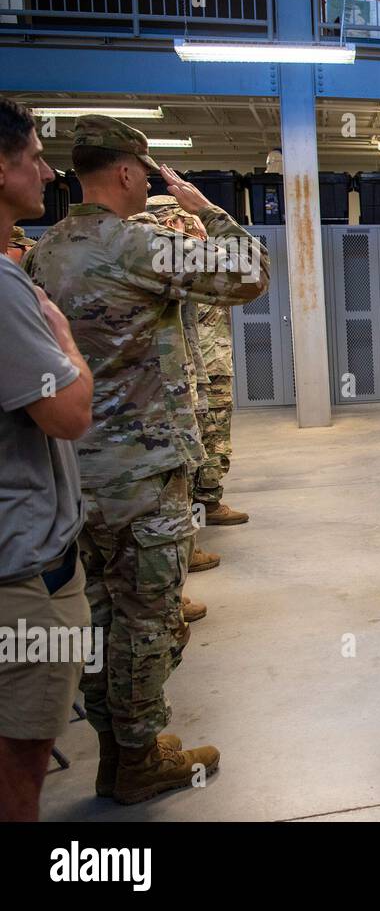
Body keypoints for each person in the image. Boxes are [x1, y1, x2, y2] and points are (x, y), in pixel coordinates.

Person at [25, 115, 268, 804]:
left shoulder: (48, 251)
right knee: (151, 620)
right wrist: (206, 210)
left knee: (100, 614)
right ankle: (139, 755)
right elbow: (250, 274)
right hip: (140, 471)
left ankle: (114, 750)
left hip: (75, 475)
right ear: (130, 172)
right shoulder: (136, 246)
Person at [0, 100, 94, 821]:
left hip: (31, 555)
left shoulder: (23, 264)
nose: (45, 169)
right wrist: (65, 342)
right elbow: (68, 412)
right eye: (32, 155)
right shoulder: (5, 290)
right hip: (19, 569)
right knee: (20, 760)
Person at [135, 196, 221, 586]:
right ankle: (171, 575)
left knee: (186, 468)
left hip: (185, 375)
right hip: (157, 396)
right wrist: (208, 217)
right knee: (167, 483)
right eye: (179, 223)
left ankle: (181, 554)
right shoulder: (151, 257)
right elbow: (248, 269)